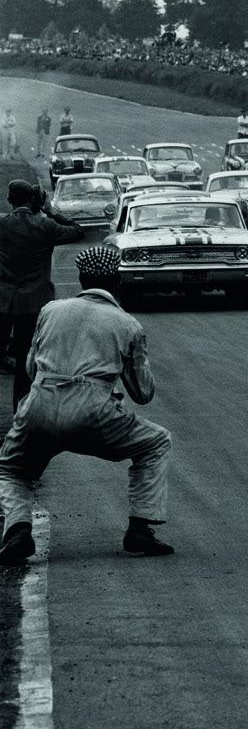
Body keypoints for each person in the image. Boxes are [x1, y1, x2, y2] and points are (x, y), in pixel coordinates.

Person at [0, 246, 173, 565]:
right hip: (94, 411)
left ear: (81, 279)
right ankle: (140, 529)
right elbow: (143, 392)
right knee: (156, 442)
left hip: (41, 403)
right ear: (117, 281)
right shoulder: (127, 323)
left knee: (11, 467)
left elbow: (29, 368)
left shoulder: (50, 310)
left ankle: (18, 531)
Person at [0, 180, 86, 409]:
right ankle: (21, 409)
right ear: (33, 200)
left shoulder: (2, 224)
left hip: (3, 300)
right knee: (25, 360)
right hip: (34, 303)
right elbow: (78, 231)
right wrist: (50, 210)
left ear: (10, 200)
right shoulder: (45, 227)